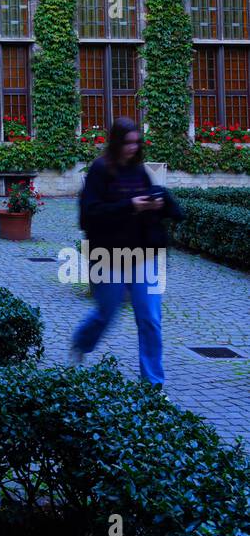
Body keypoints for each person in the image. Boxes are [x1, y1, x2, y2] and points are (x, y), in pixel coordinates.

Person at [70, 117, 183, 388]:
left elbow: (171, 208)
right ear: (116, 142)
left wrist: (156, 205)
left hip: (143, 255)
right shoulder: (100, 170)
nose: (133, 148)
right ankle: (81, 343)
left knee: (150, 319)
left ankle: (153, 384)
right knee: (106, 311)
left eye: (137, 143)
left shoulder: (140, 171)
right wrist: (130, 205)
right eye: (127, 143)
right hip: (108, 256)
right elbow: (89, 217)